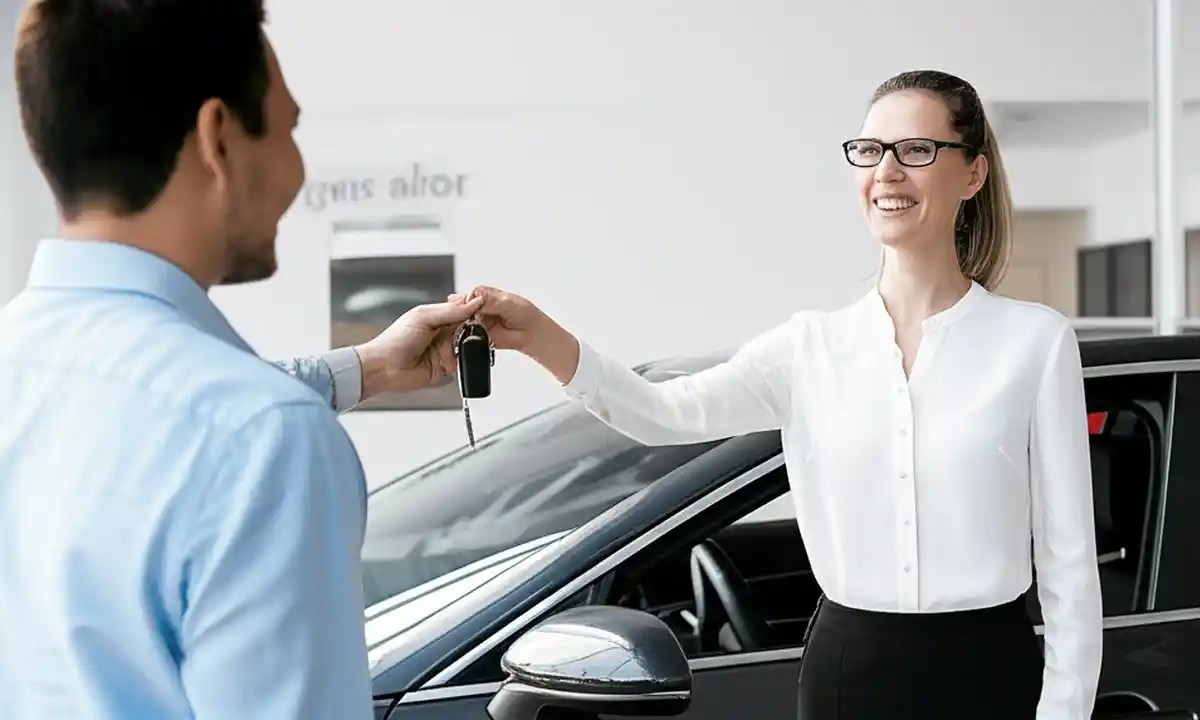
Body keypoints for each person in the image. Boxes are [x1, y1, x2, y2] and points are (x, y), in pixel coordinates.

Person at [456, 69, 1103, 719]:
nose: (887, 171)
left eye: (916, 150)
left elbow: (1069, 563)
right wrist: (539, 336)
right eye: (871, 150)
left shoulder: (1035, 343)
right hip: (849, 672)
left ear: (972, 174)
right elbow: (661, 413)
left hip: (990, 674)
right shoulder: (808, 349)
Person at [0, 2, 481, 718]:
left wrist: (371, 368)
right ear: (217, 138)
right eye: (288, 128)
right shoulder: (265, 442)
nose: (296, 168)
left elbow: (169, 419)